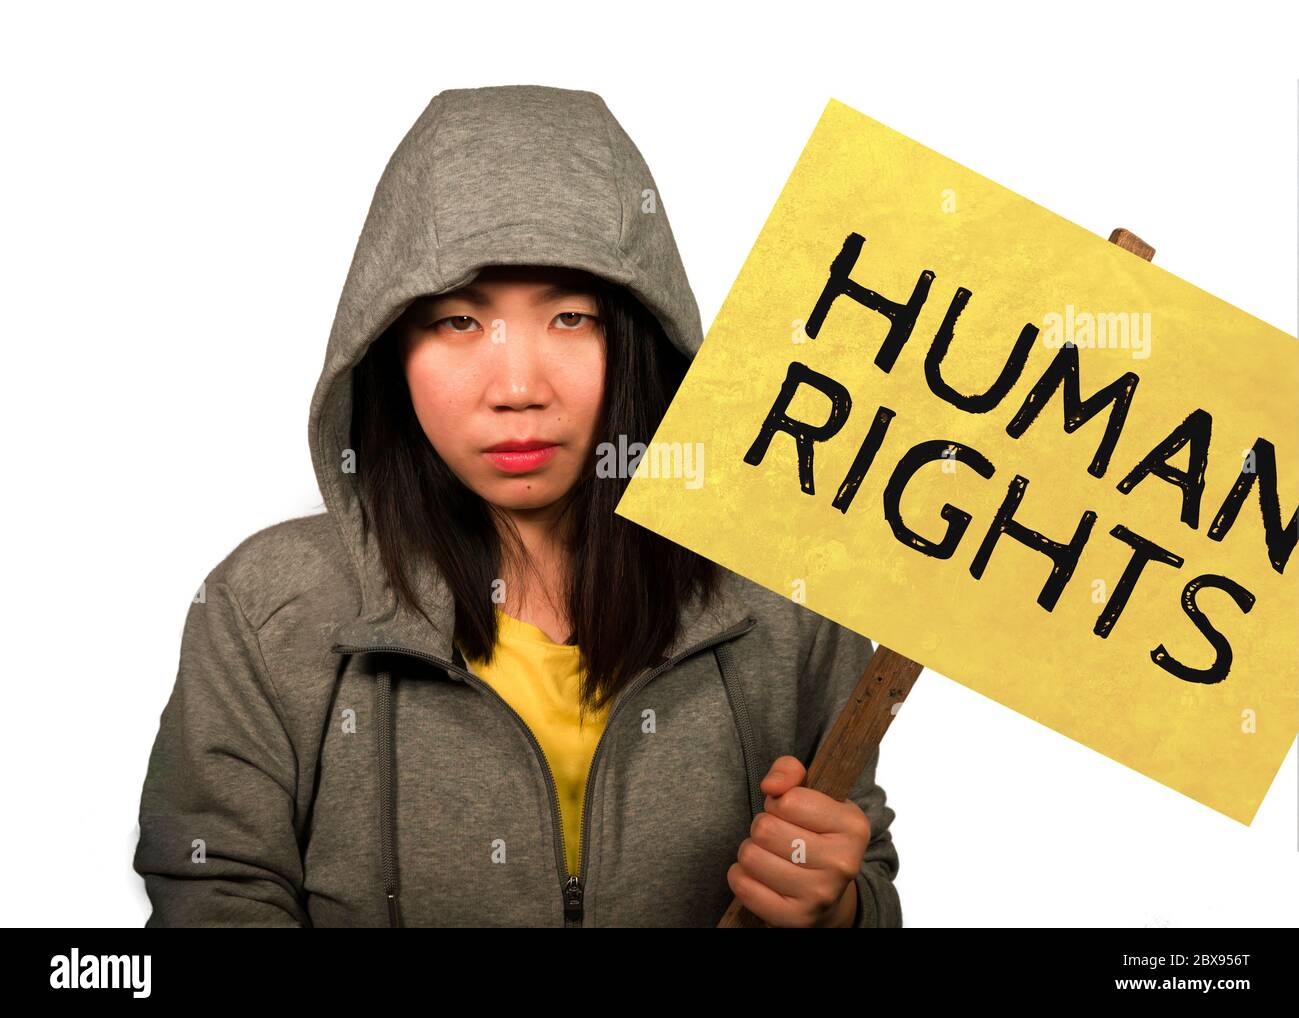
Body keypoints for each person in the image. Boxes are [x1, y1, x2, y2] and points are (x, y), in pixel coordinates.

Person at [132, 84, 902, 928]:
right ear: (388, 345)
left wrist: (836, 912)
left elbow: (864, 876)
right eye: (459, 322)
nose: (518, 389)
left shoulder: (785, 601)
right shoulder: (266, 608)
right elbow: (212, 897)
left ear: (642, 337)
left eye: (572, 317)